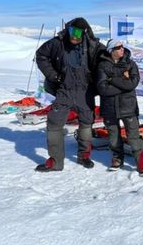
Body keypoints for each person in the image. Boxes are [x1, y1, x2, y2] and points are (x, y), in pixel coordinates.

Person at [35, 17, 106, 172]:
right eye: (72, 31)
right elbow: (41, 55)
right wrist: (53, 76)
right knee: (54, 123)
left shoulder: (92, 45)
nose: (74, 35)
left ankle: (84, 156)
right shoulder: (57, 43)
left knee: (86, 123)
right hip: (64, 90)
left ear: (85, 33)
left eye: (79, 32)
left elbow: (107, 59)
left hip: (85, 91)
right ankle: (55, 161)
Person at [96, 40, 143, 176]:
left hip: (128, 106)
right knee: (113, 137)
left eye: (122, 47)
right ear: (111, 50)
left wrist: (112, 80)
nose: (122, 49)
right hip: (110, 107)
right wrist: (123, 85)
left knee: (134, 137)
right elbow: (102, 88)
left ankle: (141, 163)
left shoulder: (130, 64)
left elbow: (132, 84)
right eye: (118, 47)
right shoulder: (102, 65)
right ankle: (117, 158)